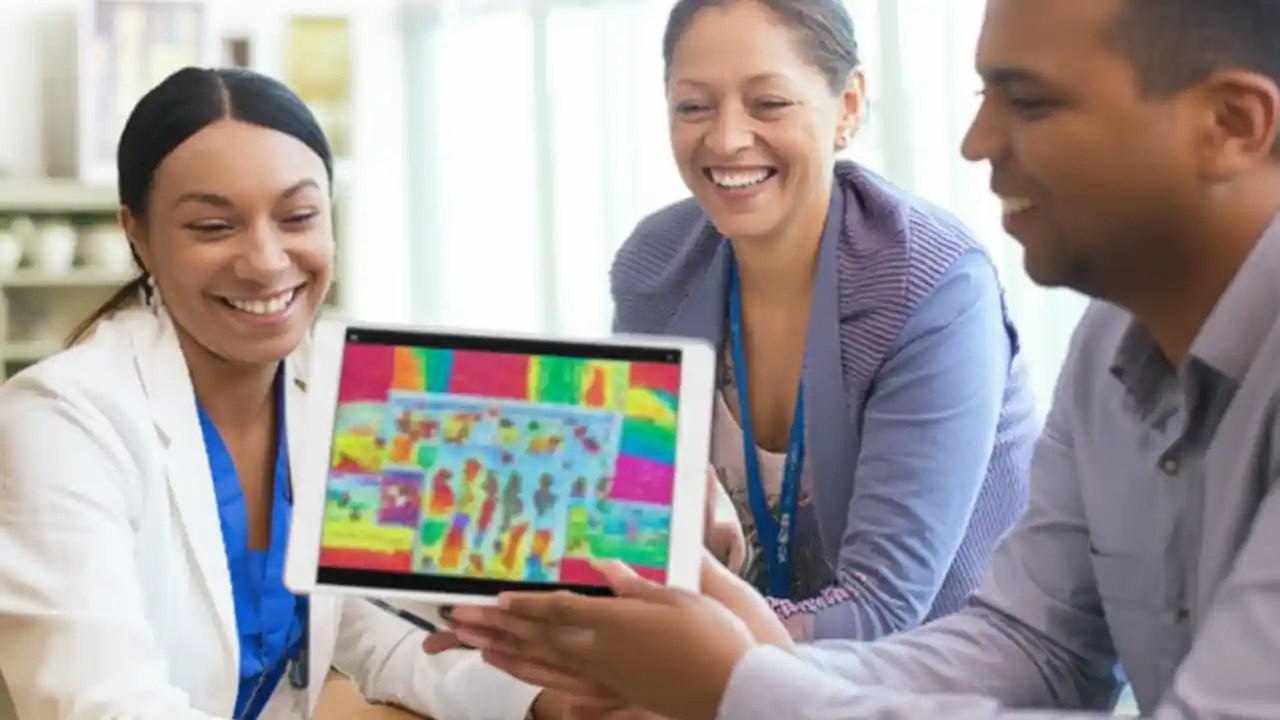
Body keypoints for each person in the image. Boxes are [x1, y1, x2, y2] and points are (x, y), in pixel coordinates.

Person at [430, 0, 1280, 717]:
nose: (975, 141)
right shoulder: (1108, 345)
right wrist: (699, 651)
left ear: (1232, 125)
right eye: (693, 106)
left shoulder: (933, 280)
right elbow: (1034, 646)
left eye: (1032, 103)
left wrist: (734, 679)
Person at [0, 67, 567, 720]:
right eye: (213, 227)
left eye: (298, 216)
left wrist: (548, 701)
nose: (268, 261)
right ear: (138, 234)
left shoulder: (337, 393)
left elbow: (376, 630)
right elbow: (99, 704)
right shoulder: (60, 421)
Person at [609, 0, 1036, 642]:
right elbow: (634, 539)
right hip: (738, 685)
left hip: (936, 687)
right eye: (693, 106)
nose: (725, 139)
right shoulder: (657, 266)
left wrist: (662, 628)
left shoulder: (929, 283)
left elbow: (881, 611)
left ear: (850, 105)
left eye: (769, 103)